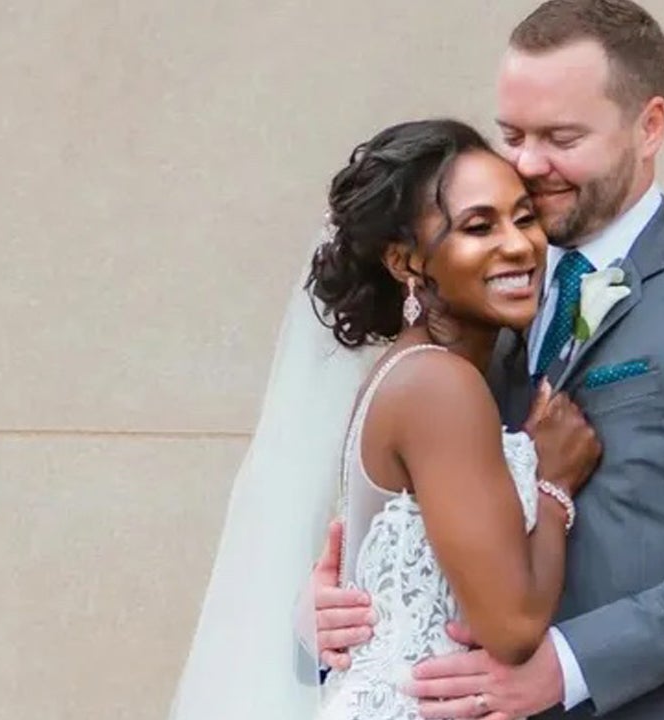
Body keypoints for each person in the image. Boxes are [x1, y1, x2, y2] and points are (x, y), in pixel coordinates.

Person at [314, 2, 664, 719]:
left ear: (650, 126)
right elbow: (414, 522)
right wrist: (332, 612)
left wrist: (569, 665)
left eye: (561, 137)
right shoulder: (474, 309)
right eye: (513, 136)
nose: (530, 165)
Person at [168, 118, 601, 720]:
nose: (518, 245)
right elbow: (511, 627)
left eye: (524, 218)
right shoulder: (438, 386)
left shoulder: (419, 371)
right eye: (479, 226)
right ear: (404, 262)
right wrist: (553, 485)